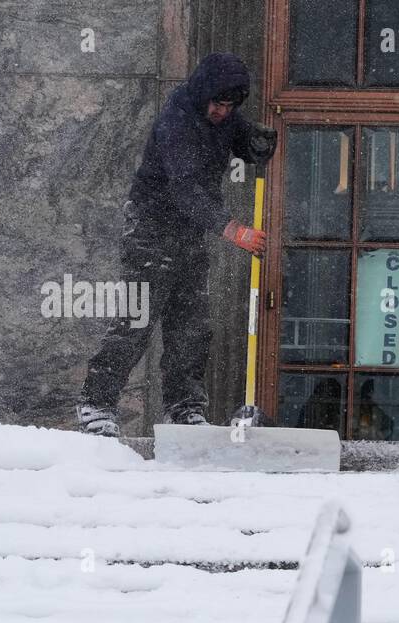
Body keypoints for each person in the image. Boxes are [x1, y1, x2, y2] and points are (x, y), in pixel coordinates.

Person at [77, 52, 278, 437]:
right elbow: (185, 188)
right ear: (203, 94)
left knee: (192, 328)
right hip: (151, 231)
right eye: (218, 103)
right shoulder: (176, 122)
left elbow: (242, 139)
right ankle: (95, 404)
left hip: (189, 235)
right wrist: (234, 230)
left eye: (231, 106)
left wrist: (256, 144)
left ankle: (184, 408)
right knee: (137, 320)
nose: (223, 111)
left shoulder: (224, 118)